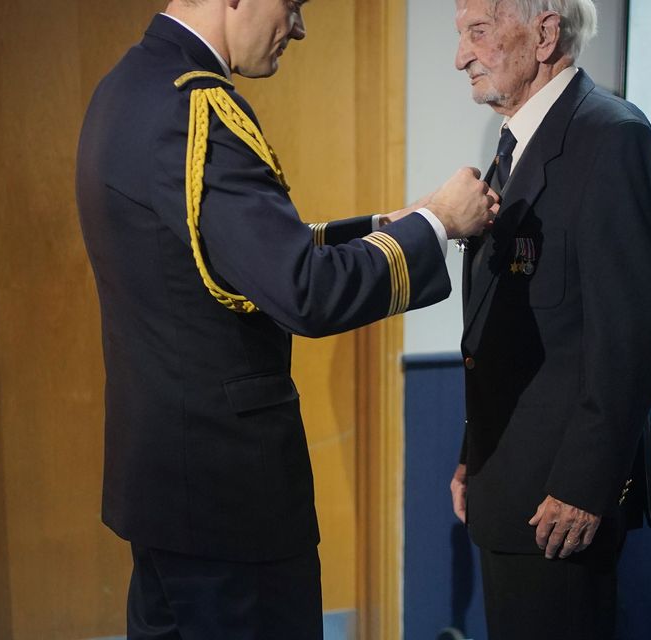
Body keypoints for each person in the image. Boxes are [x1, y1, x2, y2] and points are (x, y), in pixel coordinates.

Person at [76, 1, 497, 637]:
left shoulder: (128, 88)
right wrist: (438, 225)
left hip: (169, 485)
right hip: (229, 498)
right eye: (292, 4)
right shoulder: (196, 110)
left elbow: (237, 255)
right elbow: (303, 290)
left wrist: (393, 225)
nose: (298, 27)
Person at [448, 0, 651, 637]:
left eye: (478, 33)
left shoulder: (611, 135)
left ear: (545, 34)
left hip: (559, 500)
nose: (461, 57)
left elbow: (632, 331)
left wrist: (584, 484)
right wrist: (474, 453)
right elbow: (503, 328)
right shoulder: (516, 142)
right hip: (506, 480)